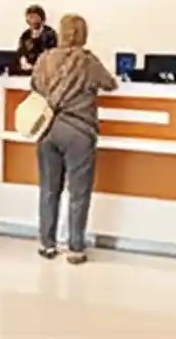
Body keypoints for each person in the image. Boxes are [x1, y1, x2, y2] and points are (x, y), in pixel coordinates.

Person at [32, 14, 117, 265]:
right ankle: (75, 247)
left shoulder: (45, 58)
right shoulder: (87, 61)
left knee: (49, 189)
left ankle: (47, 244)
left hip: (46, 129)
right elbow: (110, 84)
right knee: (78, 192)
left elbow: (35, 85)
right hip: (79, 131)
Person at [16, 4, 57, 74]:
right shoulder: (26, 35)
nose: (32, 20)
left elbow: (52, 53)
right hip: (27, 70)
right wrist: (23, 61)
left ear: (41, 18)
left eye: (34, 17)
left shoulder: (50, 34)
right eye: (30, 17)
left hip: (45, 70)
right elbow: (21, 51)